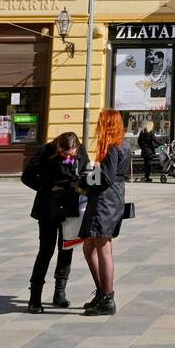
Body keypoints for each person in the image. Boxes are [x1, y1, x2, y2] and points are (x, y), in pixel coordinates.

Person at [22, 131, 88, 313]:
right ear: (58, 147)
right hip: (48, 206)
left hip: (69, 204)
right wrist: (47, 187)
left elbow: (83, 171)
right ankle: (34, 297)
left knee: (66, 248)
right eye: (66, 154)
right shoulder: (45, 151)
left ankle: (60, 292)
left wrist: (80, 183)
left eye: (72, 154)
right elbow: (26, 177)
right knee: (46, 250)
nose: (69, 157)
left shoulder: (81, 152)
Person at [79, 110, 130, 317]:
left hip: (105, 200)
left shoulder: (112, 147)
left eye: (100, 123)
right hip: (113, 197)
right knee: (89, 245)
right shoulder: (124, 144)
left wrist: (84, 183)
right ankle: (101, 292)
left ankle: (107, 298)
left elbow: (106, 178)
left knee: (103, 247)